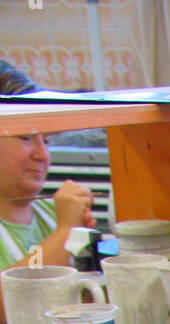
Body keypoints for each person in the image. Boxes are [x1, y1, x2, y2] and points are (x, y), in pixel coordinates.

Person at [0, 61, 94, 291]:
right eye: (25, 138)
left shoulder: (53, 213)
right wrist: (64, 234)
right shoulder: (62, 223)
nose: (42, 155)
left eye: (47, 141)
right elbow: (6, 305)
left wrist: (80, 240)